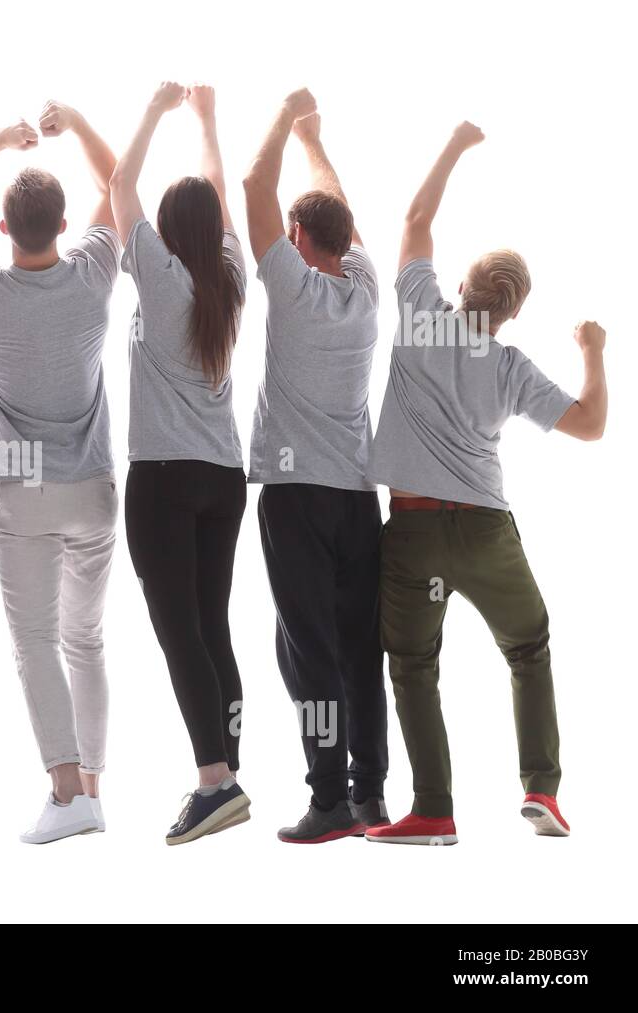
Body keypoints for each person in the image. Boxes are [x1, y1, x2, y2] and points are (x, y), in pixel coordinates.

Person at [365, 122, 608, 846]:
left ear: (462, 284)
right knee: (528, 647)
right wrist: (593, 350)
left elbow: (414, 221)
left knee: (412, 664)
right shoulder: (511, 367)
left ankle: (434, 808)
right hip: (485, 531)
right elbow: (592, 423)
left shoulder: (418, 317)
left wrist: (455, 145)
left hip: (412, 532)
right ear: (511, 313)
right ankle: (543, 791)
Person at [0, 98, 120, 844]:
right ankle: (91, 790)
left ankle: (64, 789)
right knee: (86, 639)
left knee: (36, 642)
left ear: (5, 229)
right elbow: (123, 184)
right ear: (66, 222)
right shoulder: (93, 275)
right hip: (95, 493)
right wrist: (74, 124)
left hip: (22, 499)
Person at [242, 89, 389, 843]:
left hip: (297, 499)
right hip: (359, 501)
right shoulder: (365, 290)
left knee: (309, 650)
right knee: (360, 648)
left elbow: (251, 190)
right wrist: (315, 140)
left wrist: (286, 117)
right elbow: (340, 212)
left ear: (297, 236)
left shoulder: (292, 287)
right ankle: (370, 797)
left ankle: (329, 798)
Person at [110, 81, 250, 845]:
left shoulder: (161, 279)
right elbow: (218, 192)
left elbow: (118, 185)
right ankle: (228, 764)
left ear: (165, 232)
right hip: (223, 478)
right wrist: (207, 119)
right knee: (211, 625)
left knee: (179, 632)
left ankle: (214, 779)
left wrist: (156, 110)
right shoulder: (230, 275)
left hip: (163, 478)